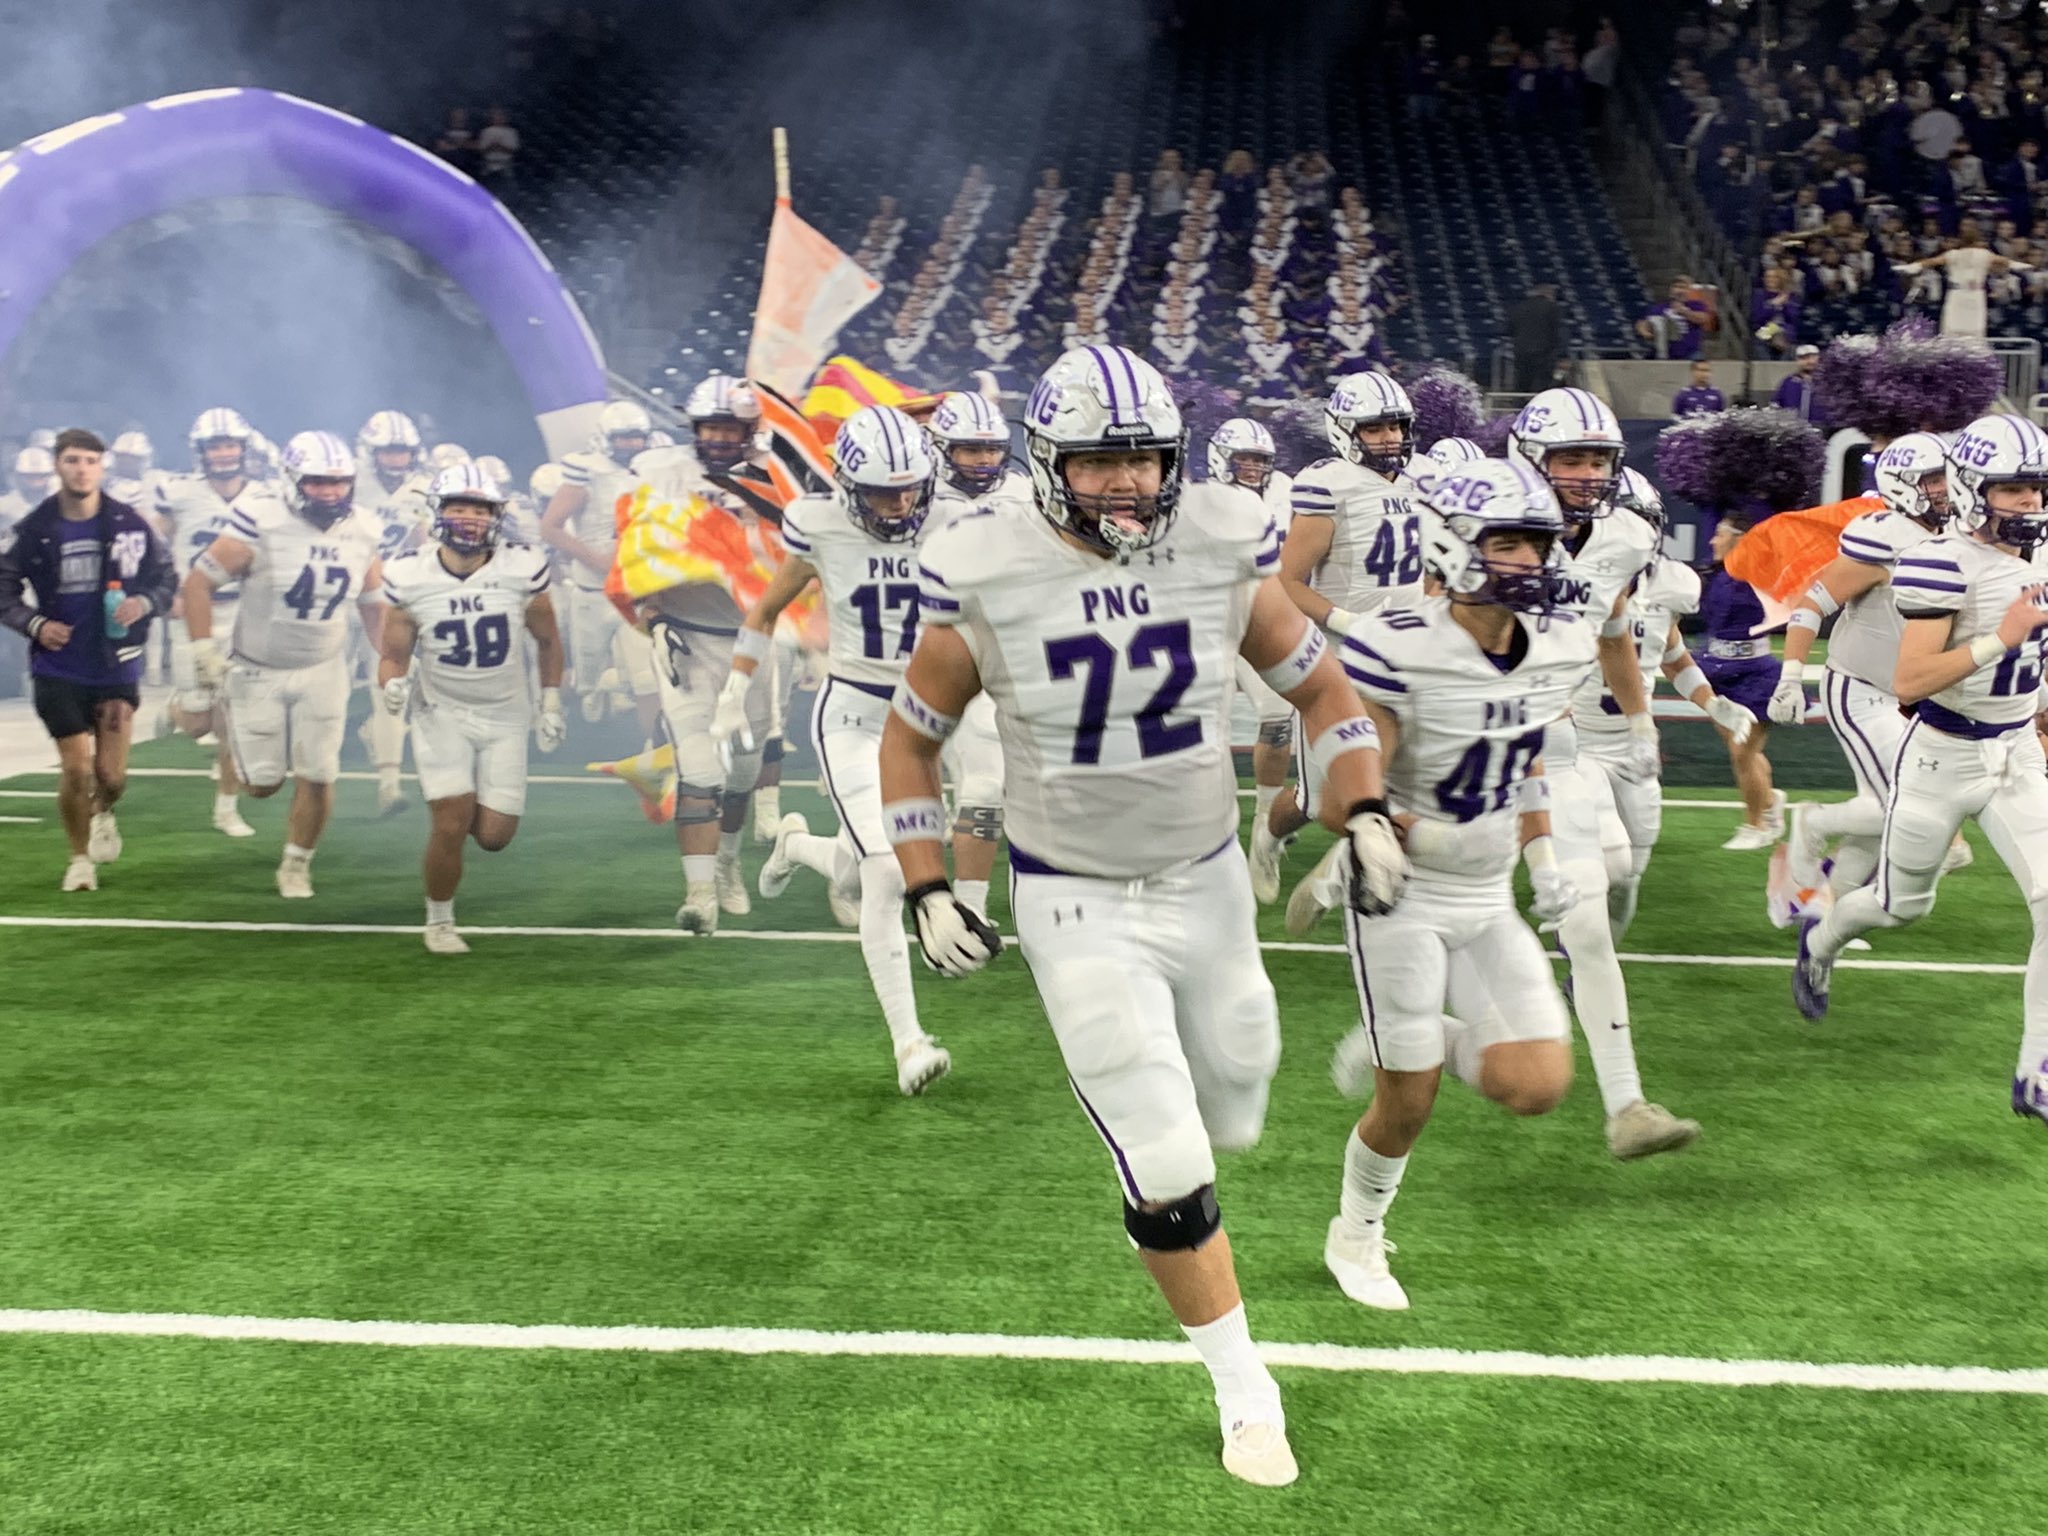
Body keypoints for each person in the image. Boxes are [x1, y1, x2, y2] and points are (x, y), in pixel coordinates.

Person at [879, 343, 1406, 1486]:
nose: (1127, 482)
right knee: (1167, 1161)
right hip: (1073, 898)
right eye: (1100, 461)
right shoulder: (984, 568)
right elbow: (910, 738)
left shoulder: (1218, 546)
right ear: (1046, 461)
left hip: (1209, 876)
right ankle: (1242, 1386)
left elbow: (1321, 690)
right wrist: (926, 882)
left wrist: (1358, 810)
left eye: (1143, 458)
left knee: (1242, 1087)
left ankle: (1200, 1170)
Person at [1315, 388, 1697, 1158]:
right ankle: (1615, 1097)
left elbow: (1616, 630)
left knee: (1595, 907)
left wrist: (1640, 720)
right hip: (1480, 745)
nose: (1589, 476)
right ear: (1531, 460)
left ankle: (1625, 1102)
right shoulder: (1477, 515)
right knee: (1580, 919)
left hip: (1561, 741)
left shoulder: (1621, 533)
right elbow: (1437, 638)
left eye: (1599, 460)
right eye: (1571, 459)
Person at [1312, 456, 1592, 1311]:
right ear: (1454, 544)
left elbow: (1525, 751)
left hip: (1487, 891)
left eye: (1535, 545)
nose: (1525, 563)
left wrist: (1542, 855)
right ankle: (1355, 1236)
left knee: (1537, 1085)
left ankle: (1414, 1033)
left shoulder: (1558, 644)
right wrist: (1377, 828)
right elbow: (1348, 781)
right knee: (1411, 1100)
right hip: (1405, 893)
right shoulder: (1399, 645)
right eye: (1504, 542)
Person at [1792, 414, 2048, 1131]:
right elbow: (1911, 682)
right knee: (1905, 907)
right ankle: (1821, 941)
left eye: (2036, 488)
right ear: (1973, 490)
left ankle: (2037, 1070)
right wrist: (2002, 640)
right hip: (1942, 756)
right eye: (2012, 489)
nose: (2029, 502)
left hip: (2016, 754)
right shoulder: (1941, 561)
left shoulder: (2043, 550)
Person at [723, 405, 953, 1096]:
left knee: (856, 872)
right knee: (887, 872)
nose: (901, 502)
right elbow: (764, 611)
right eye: (883, 490)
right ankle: (909, 1041)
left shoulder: (955, 523)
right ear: (850, 486)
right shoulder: (820, 526)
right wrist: (735, 689)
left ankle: (795, 847)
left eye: (910, 486)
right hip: (851, 714)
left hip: (925, 722)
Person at [1770, 432, 1972, 919]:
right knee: (1902, 811)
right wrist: (1791, 675)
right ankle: (1812, 824)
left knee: (1896, 811)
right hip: (1860, 689)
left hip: (1910, 694)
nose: (1946, 487)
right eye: (1933, 478)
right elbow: (1810, 604)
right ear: (1902, 484)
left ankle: (1823, 907)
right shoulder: (1884, 538)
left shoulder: (1955, 533)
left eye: (1946, 476)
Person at [181, 431, 386, 900]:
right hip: (259, 668)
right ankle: (199, 711)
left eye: (339, 482)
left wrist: (392, 663)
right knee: (262, 785)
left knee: (319, 771)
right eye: (317, 483)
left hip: (325, 667)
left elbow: (374, 605)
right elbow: (196, 584)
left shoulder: (365, 528)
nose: (330, 492)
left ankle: (297, 863)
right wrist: (202, 650)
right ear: (293, 480)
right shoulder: (260, 519)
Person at [377, 463, 565, 954]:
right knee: (450, 822)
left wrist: (550, 702)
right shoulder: (409, 574)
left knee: (494, 836)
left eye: (479, 509)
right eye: (457, 507)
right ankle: (439, 920)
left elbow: (548, 641)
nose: (468, 519)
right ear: (437, 514)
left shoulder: (520, 569)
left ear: (496, 517)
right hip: (442, 711)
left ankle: (471, 824)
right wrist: (393, 685)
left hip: (506, 714)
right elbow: (393, 654)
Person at [1576, 468, 1752, 938]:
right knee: (1605, 860)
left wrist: (1713, 703)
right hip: (1576, 741)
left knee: (1629, 873)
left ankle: (1595, 959)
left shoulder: (1667, 586)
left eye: (1646, 522)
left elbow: (1672, 655)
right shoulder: (1575, 584)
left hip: (1635, 745)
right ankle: (1579, 941)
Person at [0, 428, 175, 892]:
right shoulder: (35, 528)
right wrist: (35, 624)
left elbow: (166, 577)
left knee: (111, 776)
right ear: (58, 466)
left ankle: (104, 810)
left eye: (90, 461)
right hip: (58, 666)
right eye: (73, 460)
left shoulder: (129, 523)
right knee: (76, 767)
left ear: (103, 467)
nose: (82, 469)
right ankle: (78, 859)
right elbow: (2, 586)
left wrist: (144, 604)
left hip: (116, 663)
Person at [1263, 372, 1422, 861]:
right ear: (1344, 431)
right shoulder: (1330, 484)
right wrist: (1347, 621)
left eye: (1396, 426)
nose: (1390, 437)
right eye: (1375, 428)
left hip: (1406, 654)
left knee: (1407, 780)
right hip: (1342, 658)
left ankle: (1377, 870)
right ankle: (1266, 839)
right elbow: (1286, 583)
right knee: (1318, 802)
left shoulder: (1422, 483)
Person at [153, 408, 278, 838]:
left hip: (244, 612)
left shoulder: (266, 496)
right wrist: (166, 589)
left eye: (230, 445)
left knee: (234, 716)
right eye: (215, 446)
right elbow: (155, 543)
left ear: (244, 449)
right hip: (195, 613)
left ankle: (226, 807)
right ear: (200, 452)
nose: (223, 454)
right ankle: (174, 709)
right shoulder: (179, 492)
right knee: (198, 723)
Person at [924, 390, 1021, 922]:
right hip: (926, 654)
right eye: (969, 450)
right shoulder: (912, 494)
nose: (984, 460)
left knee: (986, 786)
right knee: (884, 821)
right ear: (942, 448)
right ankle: (813, 854)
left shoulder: (1026, 492)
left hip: (997, 653)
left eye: (990, 449)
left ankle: (970, 907)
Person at [1204, 419, 1301, 904]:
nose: (1254, 470)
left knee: (1279, 717)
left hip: (1267, 621)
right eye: (1244, 460)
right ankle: (1209, 837)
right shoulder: (1199, 502)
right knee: (1208, 734)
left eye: (1261, 461)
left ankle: (1266, 822)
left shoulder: (1288, 491)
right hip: (1214, 627)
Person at [542, 401, 656, 733]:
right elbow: (549, 527)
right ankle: (592, 692)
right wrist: (597, 560)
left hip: (635, 590)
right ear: (606, 438)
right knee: (586, 682)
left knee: (647, 676)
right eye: (624, 438)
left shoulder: (651, 468)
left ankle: (654, 745)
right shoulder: (587, 473)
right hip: (592, 592)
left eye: (637, 438)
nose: (631, 445)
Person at [1697, 513, 1784, 849]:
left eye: (1719, 534)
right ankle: (1769, 801)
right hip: (1716, 670)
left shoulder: (1759, 572)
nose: (1711, 541)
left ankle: (1756, 825)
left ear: (1739, 538)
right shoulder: (1717, 576)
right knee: (1743, 751)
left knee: (1742, 752)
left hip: (1755, 673)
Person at [1507, 283, 1566, 394]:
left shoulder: (1519, 307)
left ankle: (1520, 407)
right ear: (1550, 295)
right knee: (1542, 385)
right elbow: (1559, 332)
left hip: (1521, 353)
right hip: (1544, 354)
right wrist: (1562, 354)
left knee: (1522, 384)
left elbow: (1509, 330)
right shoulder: (1552, 308)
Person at [1772, 344, 1830, 426]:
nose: (1810, 361)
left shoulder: (1828, 382)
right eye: (1804, 358)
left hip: (1822, 429)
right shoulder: (1788, 382)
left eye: (1813, 357)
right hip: (1793, 430)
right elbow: (1776, 405)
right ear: (1797, 360)